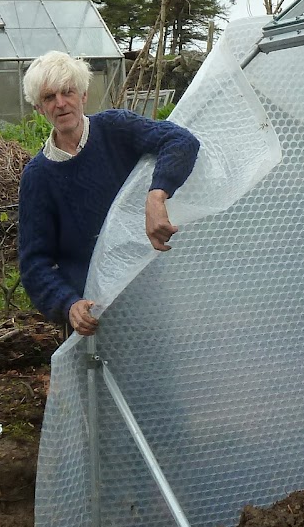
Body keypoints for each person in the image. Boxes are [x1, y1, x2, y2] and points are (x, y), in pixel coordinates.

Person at [18, 52, 200, 337]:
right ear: (39, 108)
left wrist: (157, 194)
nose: (61, 103)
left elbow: (180, 141)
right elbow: (34, 263)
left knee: (161, 371)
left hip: (148, 292)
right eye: (49, 97)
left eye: (68, 92)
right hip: (92, 314)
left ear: (83, 96)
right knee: (98, 380)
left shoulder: (115, 129)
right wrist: (68, 304)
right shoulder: (38, 176)